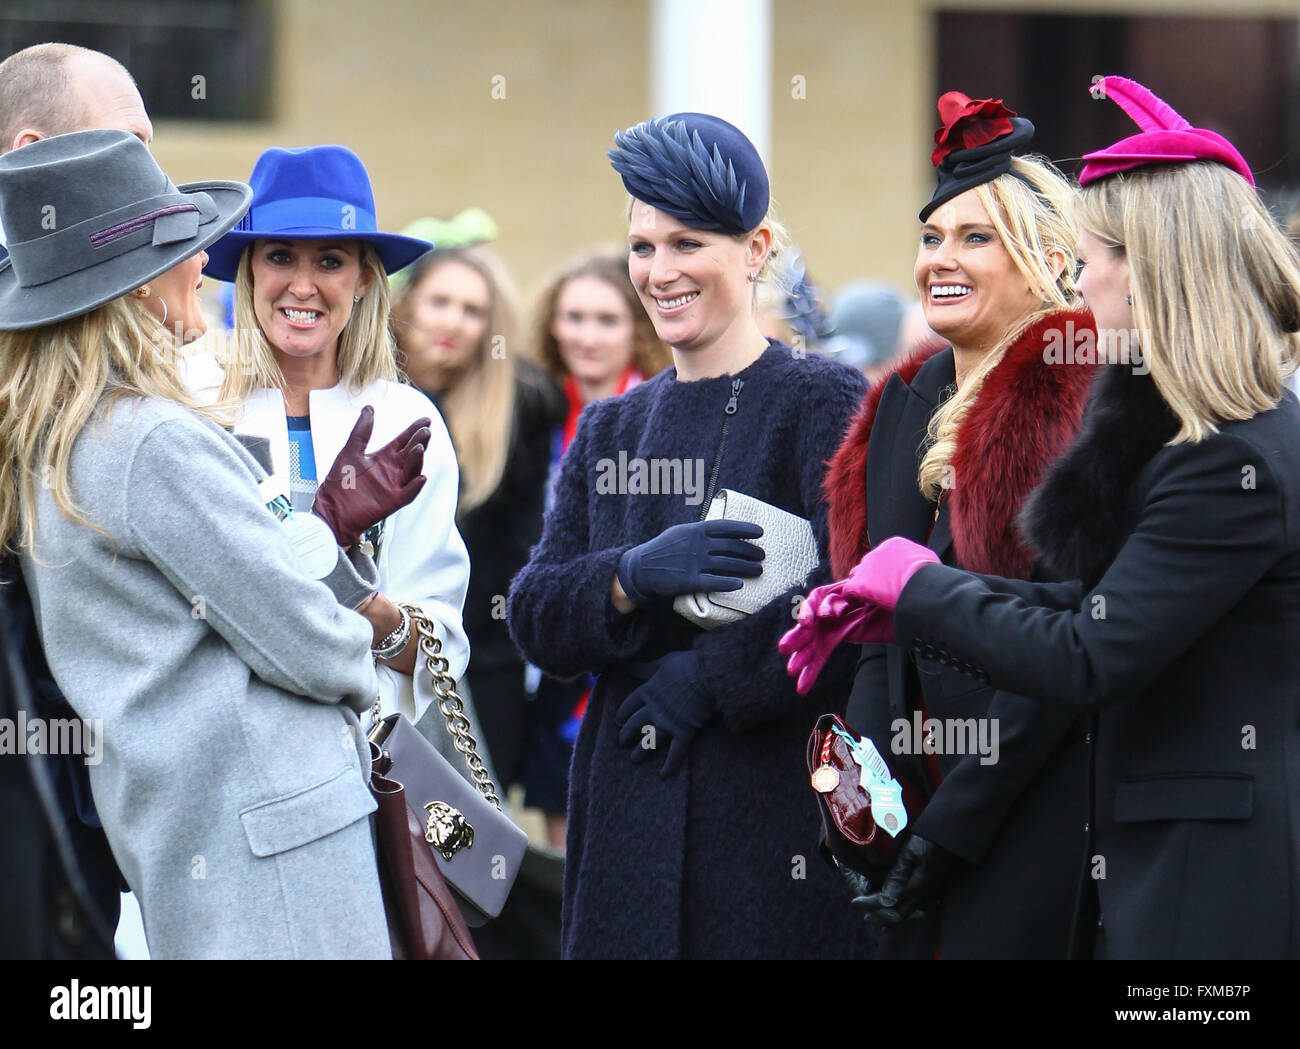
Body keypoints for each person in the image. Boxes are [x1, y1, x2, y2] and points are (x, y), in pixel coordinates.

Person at [786, 76, 1300, 959]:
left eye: (1098, 252)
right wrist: (905, 606)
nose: (1085, 273)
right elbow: (1089, 610)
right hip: (1151, 865)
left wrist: (917, 588)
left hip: (1195, 879)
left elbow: (1090, 650)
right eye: (931, 236)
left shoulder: (1227, 453)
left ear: (1155, 269)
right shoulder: (1201, 431)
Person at [0, 129, 394, 959]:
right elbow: (306, 637)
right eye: (183, 247)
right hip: (271, 835)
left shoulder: (54, 440)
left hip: (189, 829)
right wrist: (367, 643)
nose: (201, 264)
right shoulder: (146, 440)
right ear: (136, 287)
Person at [508, 112, 872, 959]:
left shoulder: (821, 401)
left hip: (772, 805)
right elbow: (534, 616)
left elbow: (853, 600)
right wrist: (629, 575)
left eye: (688, 243)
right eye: (643, 246)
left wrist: (713, 678)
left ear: (755, 249)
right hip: (627, 816)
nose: (660, 271)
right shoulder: (610, 428)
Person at [785, 92, 1098, 959]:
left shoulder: (1078, 395)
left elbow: (1064, 646)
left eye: (975, 238)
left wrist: (953, 824)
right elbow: (882, 645)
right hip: (916, 807)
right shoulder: (904, 402)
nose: (941, 261)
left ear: (1045, 257)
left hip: (1037, 801)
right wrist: (866, 806)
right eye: (932, 238)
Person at [203, 144, 471, 731]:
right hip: (221, 751)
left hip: (360, 761)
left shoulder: (405, 421)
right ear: (249, 271)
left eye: (329, 261)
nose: (303, 286)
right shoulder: (192, 402)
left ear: (364, 281)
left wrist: (358, 599)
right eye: (279, 256)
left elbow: (436, 657)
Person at [391, 243, 563, 787]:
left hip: (483, 654)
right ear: (408, 303)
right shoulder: (368, 391)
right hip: (382, 640)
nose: (454, 322)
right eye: (440, 301)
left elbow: (519, 546)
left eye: (472, 311)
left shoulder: (520, 403)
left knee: (472, 843)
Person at [522, 250, 669, 849]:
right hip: (548, 655)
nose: (587, 335)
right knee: (563, 851)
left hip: (636, 653)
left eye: (606, 319)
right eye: (573, 317)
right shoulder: (531, 414)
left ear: (636, 328)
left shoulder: (662, 408)